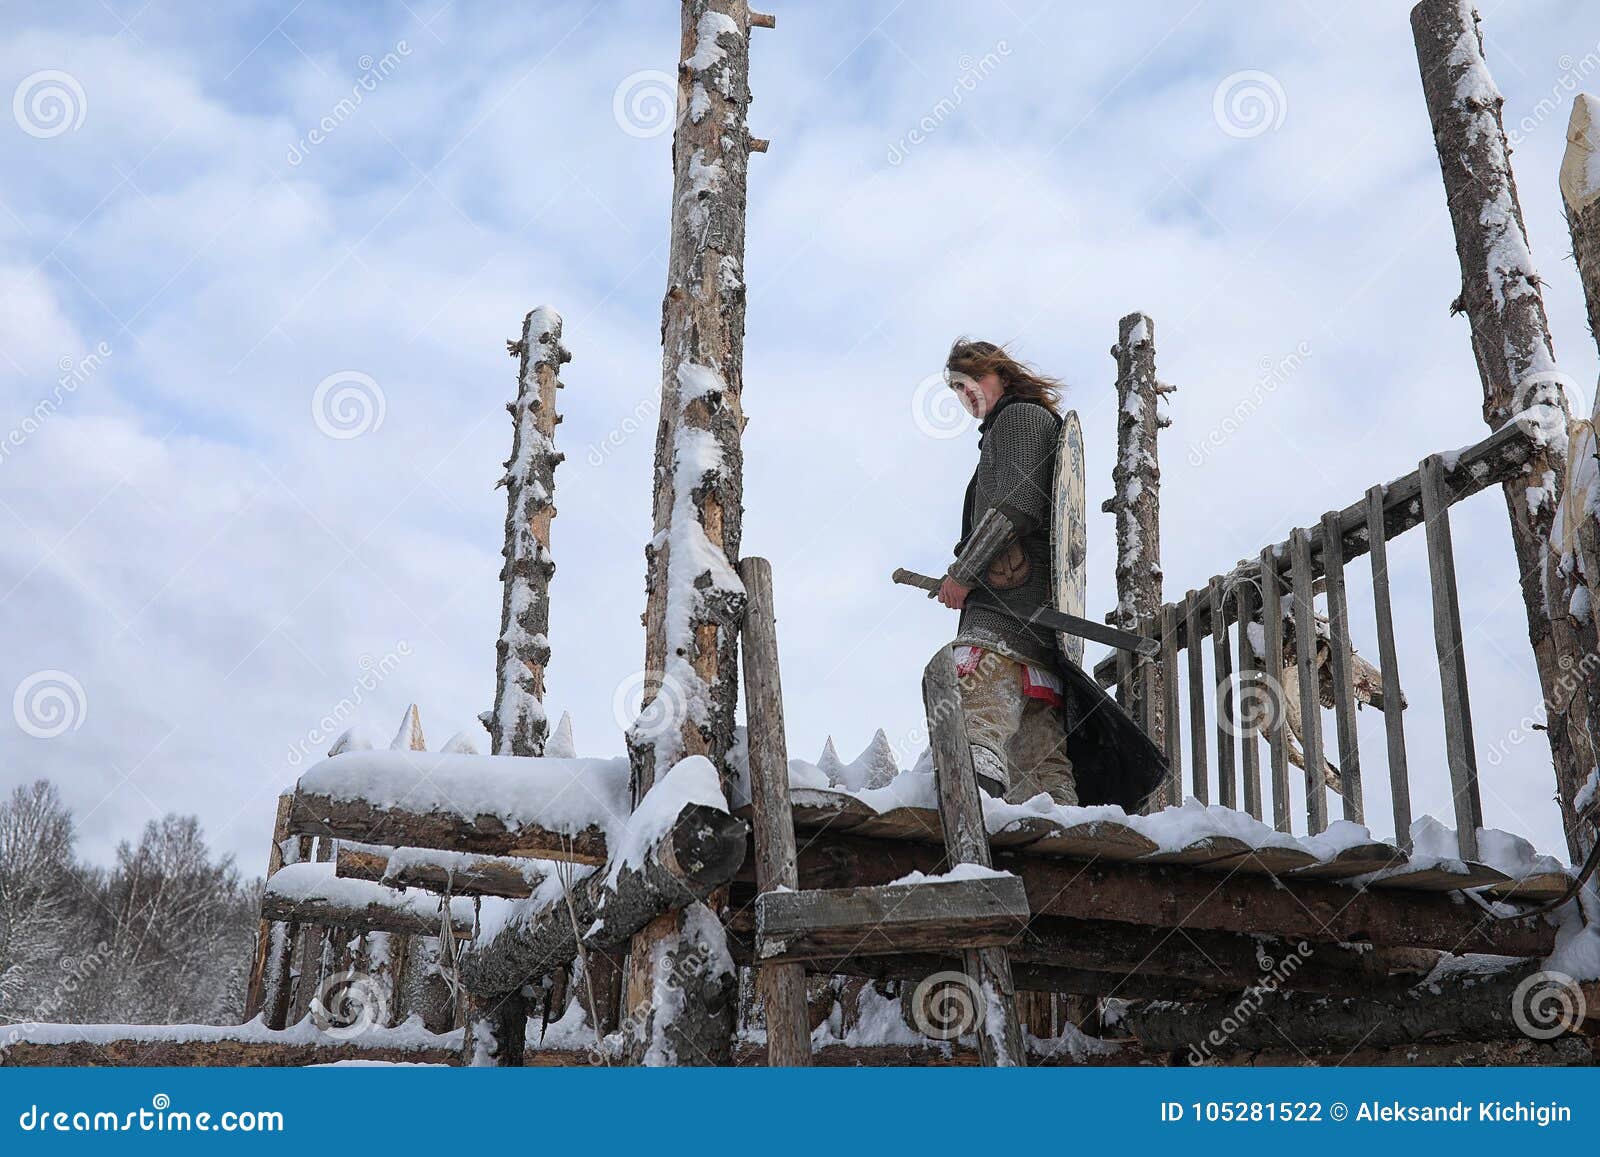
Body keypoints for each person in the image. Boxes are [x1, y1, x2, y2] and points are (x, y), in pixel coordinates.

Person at [935, 338, 1077, 806]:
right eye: (956, 387)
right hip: (1035, 633)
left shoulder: (1019, 419)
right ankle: (1064, 844)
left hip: (1003, 619)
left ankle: (967, 826)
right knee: (1039, 770)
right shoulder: (1018, 423)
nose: (965, 392)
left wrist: (964, 573)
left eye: (972, 379)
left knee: (972, 724)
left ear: (1001, 376)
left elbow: (1013, 509)